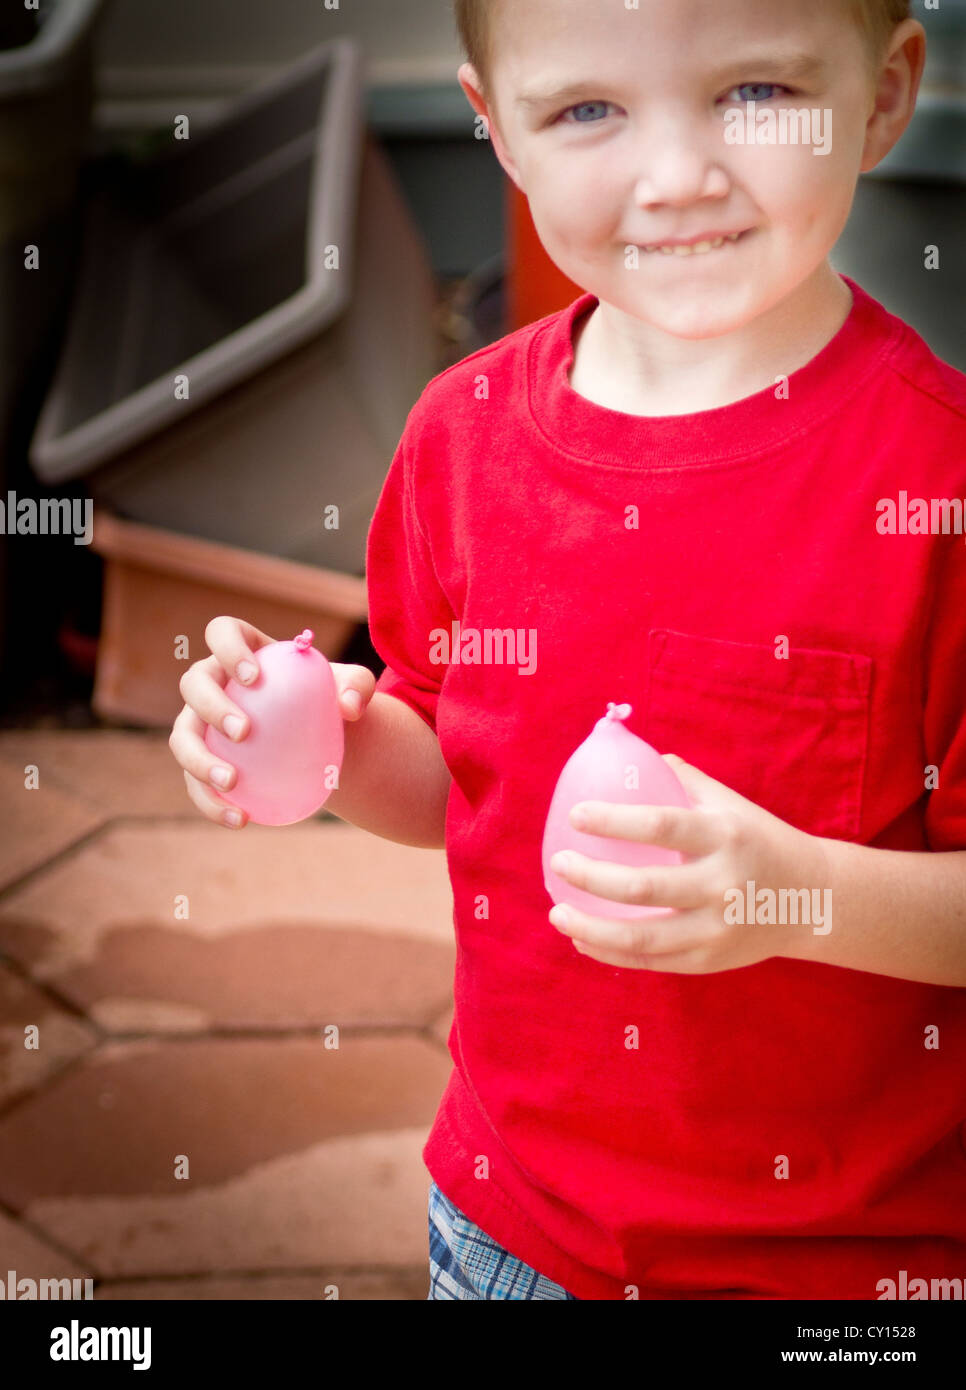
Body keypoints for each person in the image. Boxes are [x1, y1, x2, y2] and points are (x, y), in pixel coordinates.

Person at [169, 0, 966, 1300]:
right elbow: (454, 785)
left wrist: (786, 890)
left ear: (879, 97)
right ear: (495, 132)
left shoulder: (934, 485)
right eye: (587, 110)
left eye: (755, 92)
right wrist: (332, 741)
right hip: (510, 1232)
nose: (675, 177)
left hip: (841, 1263)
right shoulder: (461, 442)